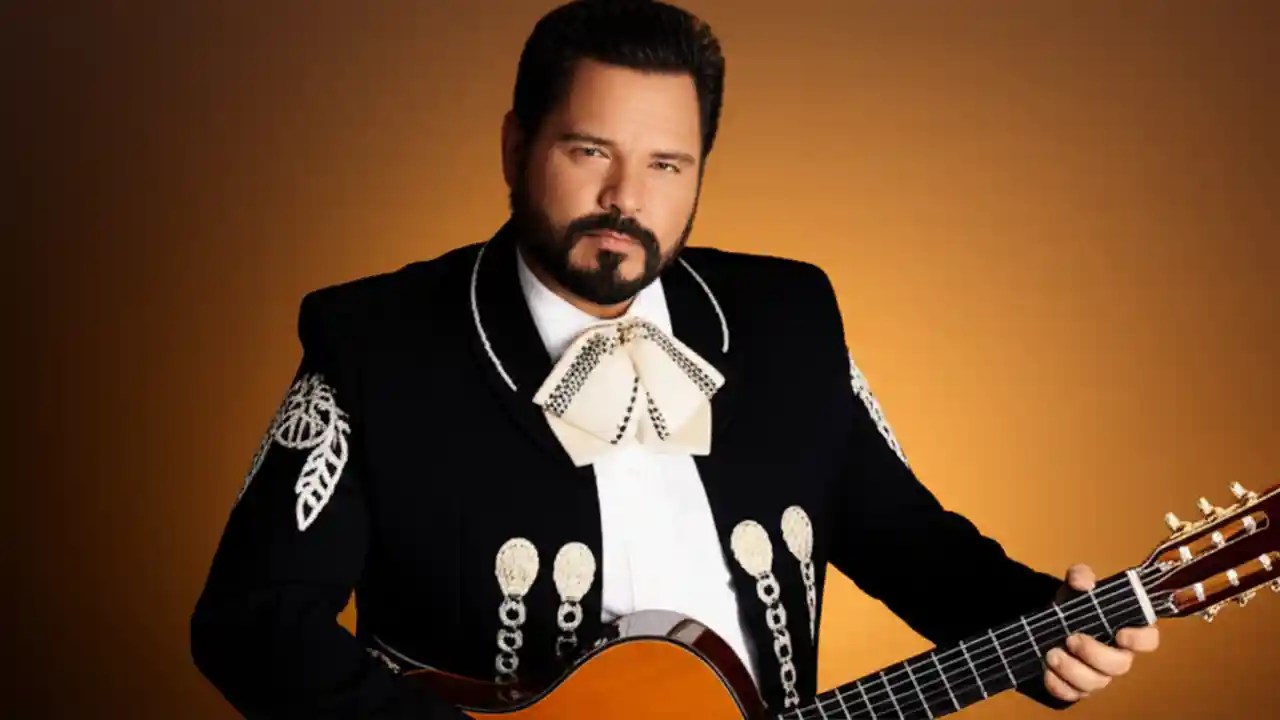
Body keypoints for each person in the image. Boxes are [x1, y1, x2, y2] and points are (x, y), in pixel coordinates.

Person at [190, 1, 1159, 717]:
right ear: (513, 148)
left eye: (666, 165)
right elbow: (252, 620)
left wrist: (1042, 625)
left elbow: (910, 543)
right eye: (587, 152)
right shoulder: (380, 345)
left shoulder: (788, 321)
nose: (626, 198)